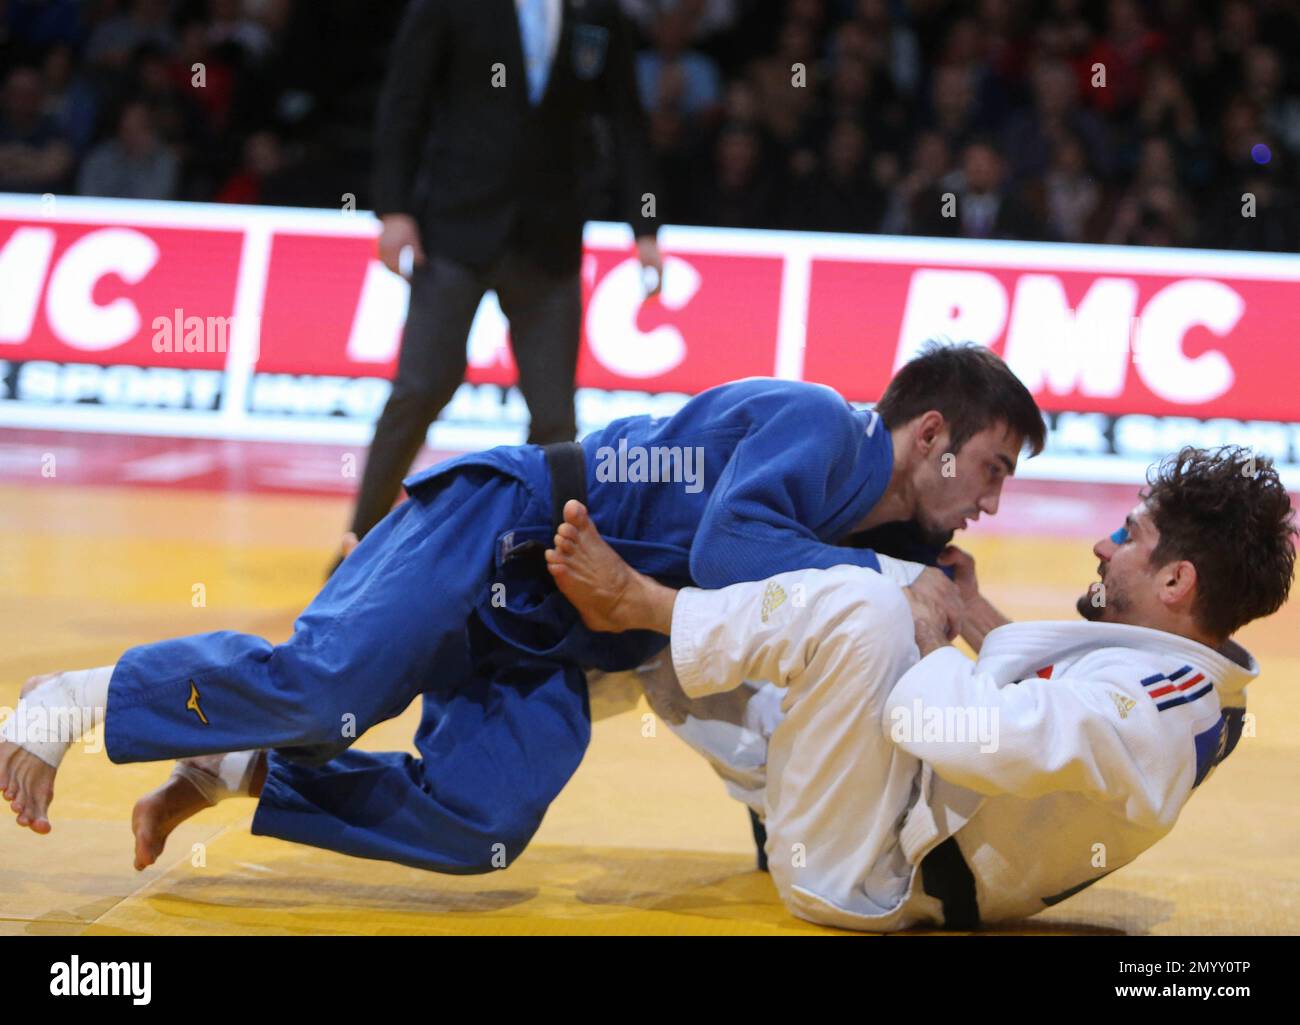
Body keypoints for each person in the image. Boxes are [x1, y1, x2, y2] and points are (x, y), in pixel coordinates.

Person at [0, 344, 1044, 880]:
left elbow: (959, 603)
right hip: (505, 524)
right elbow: (730, 553)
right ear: (931, 433)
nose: (993, 498)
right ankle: (79, 697)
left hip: (570, 630)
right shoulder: (821, 426)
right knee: (330, 689)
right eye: (992, 466)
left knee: (481, 825)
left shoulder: (898, 540)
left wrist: (1059, 667)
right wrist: (894, 583)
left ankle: (241, 766)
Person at [540, 445, 1295, 930]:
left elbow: (966, 732)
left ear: (1175, 579)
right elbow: (1058, 708)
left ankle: (645, 603)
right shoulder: (1188, 677)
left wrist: (933, 629)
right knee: (666, 644)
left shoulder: (1154, 714)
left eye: (1129, 535)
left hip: (867, 871)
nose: (1104, 543)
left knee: (867, 605)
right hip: (882, 802)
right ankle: (564, 645)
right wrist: (966, 613)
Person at [345, 0, 665, 551]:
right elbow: (404, 100)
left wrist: (647, 226)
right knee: (420, 389)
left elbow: (626, 119)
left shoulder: (597, 12)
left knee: (555, 418)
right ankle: (359, 540)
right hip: (453, 227)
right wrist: (393, 209)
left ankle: (537, 555)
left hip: (551, 238)